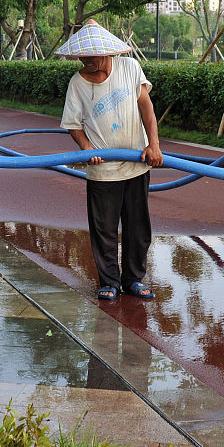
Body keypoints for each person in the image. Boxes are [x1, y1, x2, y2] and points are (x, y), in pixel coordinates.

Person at [57, 20, 163, 301]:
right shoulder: (77, 83)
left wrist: (154, 144)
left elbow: (146, 107)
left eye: (91, 56)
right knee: (104, 228)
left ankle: (133, 280)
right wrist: (85, 147)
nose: (86, 60)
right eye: (82, 56)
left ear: (107, 52)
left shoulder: (129, 69)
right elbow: (73, 124)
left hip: (136, 162)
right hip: (102, 168)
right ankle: (109, 282)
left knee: (137, 227)